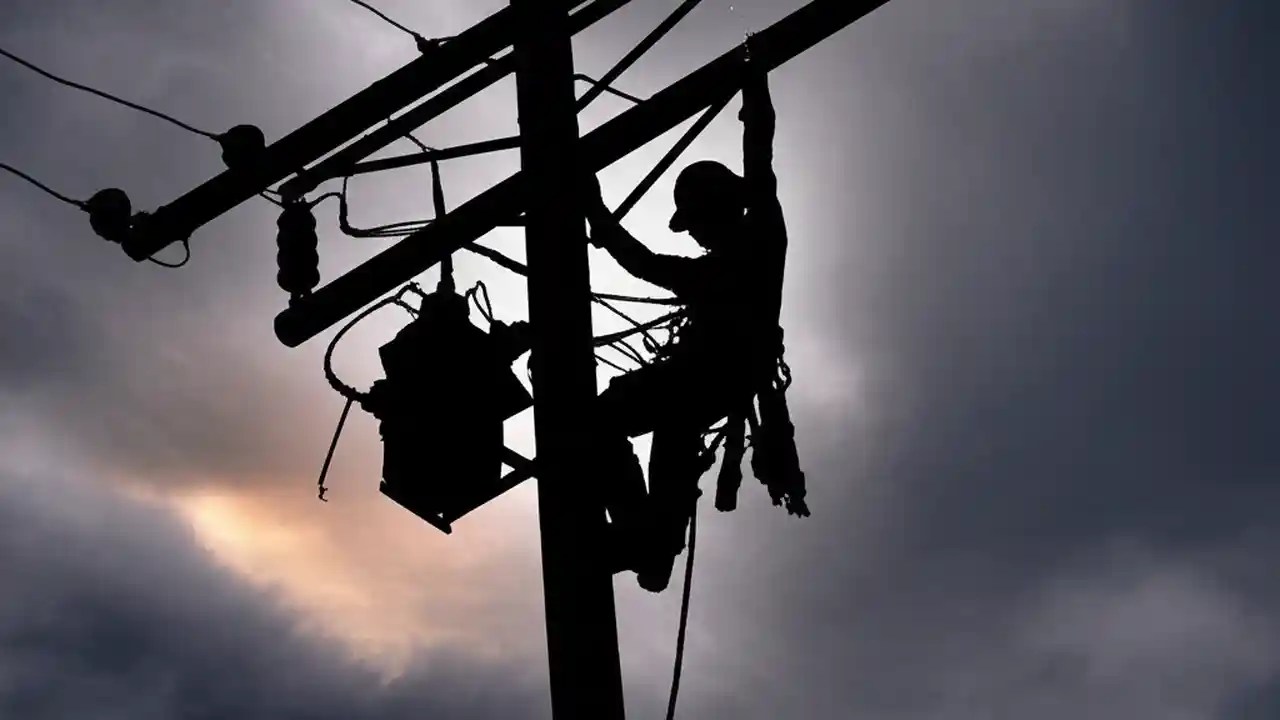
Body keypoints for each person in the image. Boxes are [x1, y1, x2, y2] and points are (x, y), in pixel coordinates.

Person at [582, 39, 789, 592]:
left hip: (717, 375)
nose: (693, 233)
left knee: (628, 425)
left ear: (714, 210)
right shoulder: (709, 269)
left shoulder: (761, 239)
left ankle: (647, 540)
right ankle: (646, 542)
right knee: (644, 430)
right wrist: (597, 217)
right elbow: (646, 264)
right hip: (700, 382)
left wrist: (755, 80)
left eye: (695, 221)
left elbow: (759, 153)